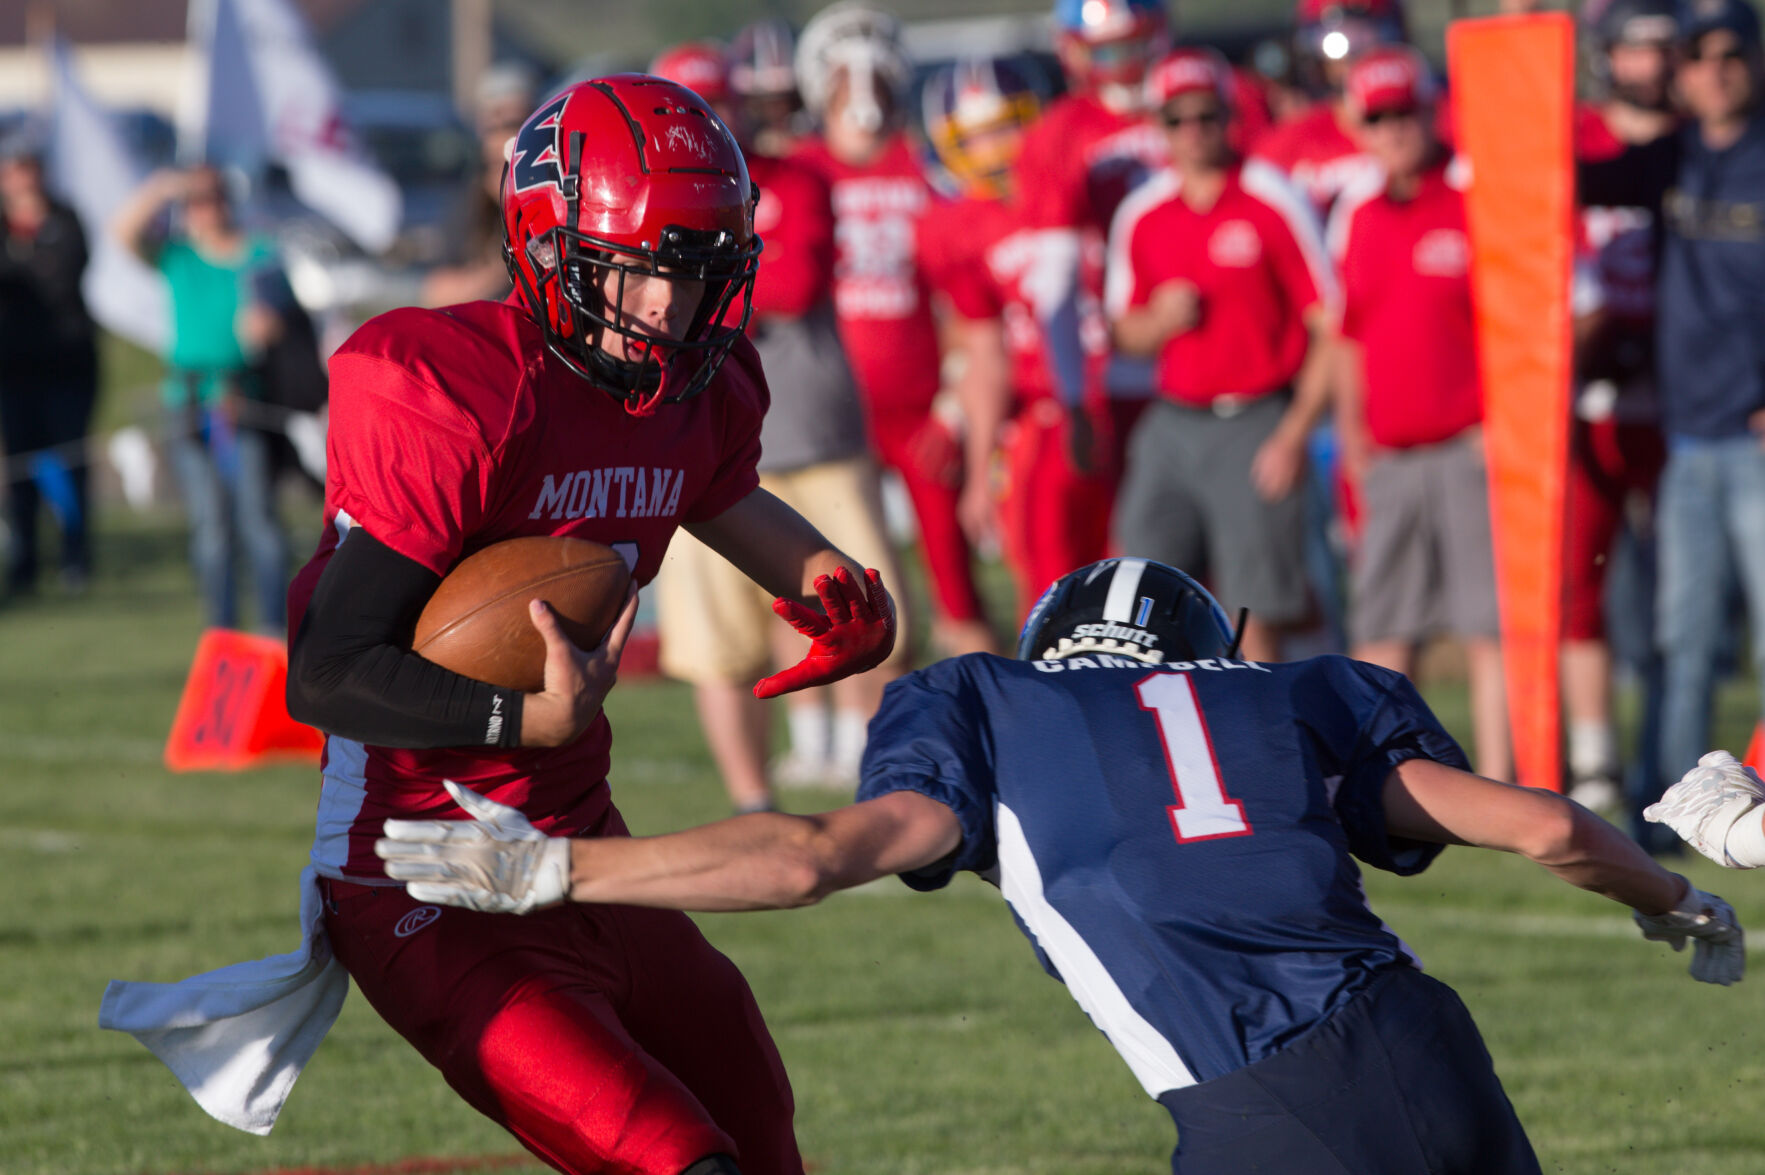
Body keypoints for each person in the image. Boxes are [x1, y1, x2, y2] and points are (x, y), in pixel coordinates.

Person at [376, 556, 1745, 1175]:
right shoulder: (1286, 697)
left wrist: (548, 869)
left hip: (1265, 1106)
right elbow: (1548, 826)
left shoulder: (997, 712)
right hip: (1428, 1045)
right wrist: (1677, 897)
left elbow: (806, 859)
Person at [649, 41, 909, 804]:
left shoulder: (793, 177)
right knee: (716, 645)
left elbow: (784, 284)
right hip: (698, 438)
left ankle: (874, 782)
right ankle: (750, 804)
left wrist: (689, 288)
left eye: (716, 105)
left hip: (811, 430)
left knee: (864, 613)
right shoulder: (656, 196)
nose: (707, 124)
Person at [1106, 48, 1336, 662]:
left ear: (1229, 116)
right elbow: (1122, 328)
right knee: (1141, 586)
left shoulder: (1269, 198)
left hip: (1256, 416)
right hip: (1174, 417)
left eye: (1206, 115)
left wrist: (1294, 432)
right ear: (1158, 126)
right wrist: (1157, 320)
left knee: (1254, 607)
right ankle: (1161, 739)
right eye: (1176, 119)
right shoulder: (1143, 211)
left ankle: (1253, 744)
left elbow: (1329, 324)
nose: (1193, 131)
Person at [1327, 47, 1510, 780]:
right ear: (1360, 129)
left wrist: (1500, 426)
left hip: (1465, 445)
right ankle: (1382, 781)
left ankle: (1499, 779)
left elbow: (1516, 322)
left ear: (1428, 112)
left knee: (1485, 625)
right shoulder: (1358, 213)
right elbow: (1347, 335)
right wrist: (1348, 433)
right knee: (1382, 627)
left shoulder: (1471, 197)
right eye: (1377, 118)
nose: (1393, 129)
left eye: (1403, 112)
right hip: (1390, 452)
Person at [792, 2, 997, 657]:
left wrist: (953, 408)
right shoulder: (800, 170)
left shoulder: (925, 165)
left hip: (918, 413)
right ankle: (841, 737)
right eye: (845, 77)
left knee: (953, 587)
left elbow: (968, 304)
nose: (860, 93)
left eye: (873, 74)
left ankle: (986, 719)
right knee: (829, 589)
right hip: (831, 414)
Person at [917, 57, 1116, 621]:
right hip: (1036, 417)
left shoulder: (1085, 187)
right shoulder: (954, 229)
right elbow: (984, 354)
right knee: (1052, 590)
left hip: (1122, 399)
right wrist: (980, 469)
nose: (993, 151)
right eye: (974, 138)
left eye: (1005, 127)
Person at [1561, 0, 1679, 815]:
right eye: (1639, 50)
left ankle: (1677, 758)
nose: (1653, 65)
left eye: (1664, 49)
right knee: (1578, 583)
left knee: (1683, 596)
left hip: (1678, 395)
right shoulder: (1572, 137)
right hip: (1580, 395)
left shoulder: (1699, 146)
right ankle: (1596, 758)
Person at [112, 164, 291, 632]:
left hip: (245, 398)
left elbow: (282, 320)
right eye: (195, 200)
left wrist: (267, 325)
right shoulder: (177, 256)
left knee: (260, 522)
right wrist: (163, 185)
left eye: (212, 197)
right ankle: (222, 630)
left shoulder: (261, 254)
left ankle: (274, 631)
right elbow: (122, 231)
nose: (205, 208)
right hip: (189, 401)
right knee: (211, 527)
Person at [0, 136, 97, 598]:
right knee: (20, 474)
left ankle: (76, 560)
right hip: (14, 373)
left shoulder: (66, 221)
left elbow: (58, 282)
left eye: (27, 168)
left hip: (66, 371)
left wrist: (24, 267)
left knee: (70, 468)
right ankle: (25, 566)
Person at [421, 62, 537, 308]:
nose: (506, 135)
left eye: (517, 122)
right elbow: (435, 291)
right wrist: (508, 267)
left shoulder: (547, 193)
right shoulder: (470, 202)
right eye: (497, 122)